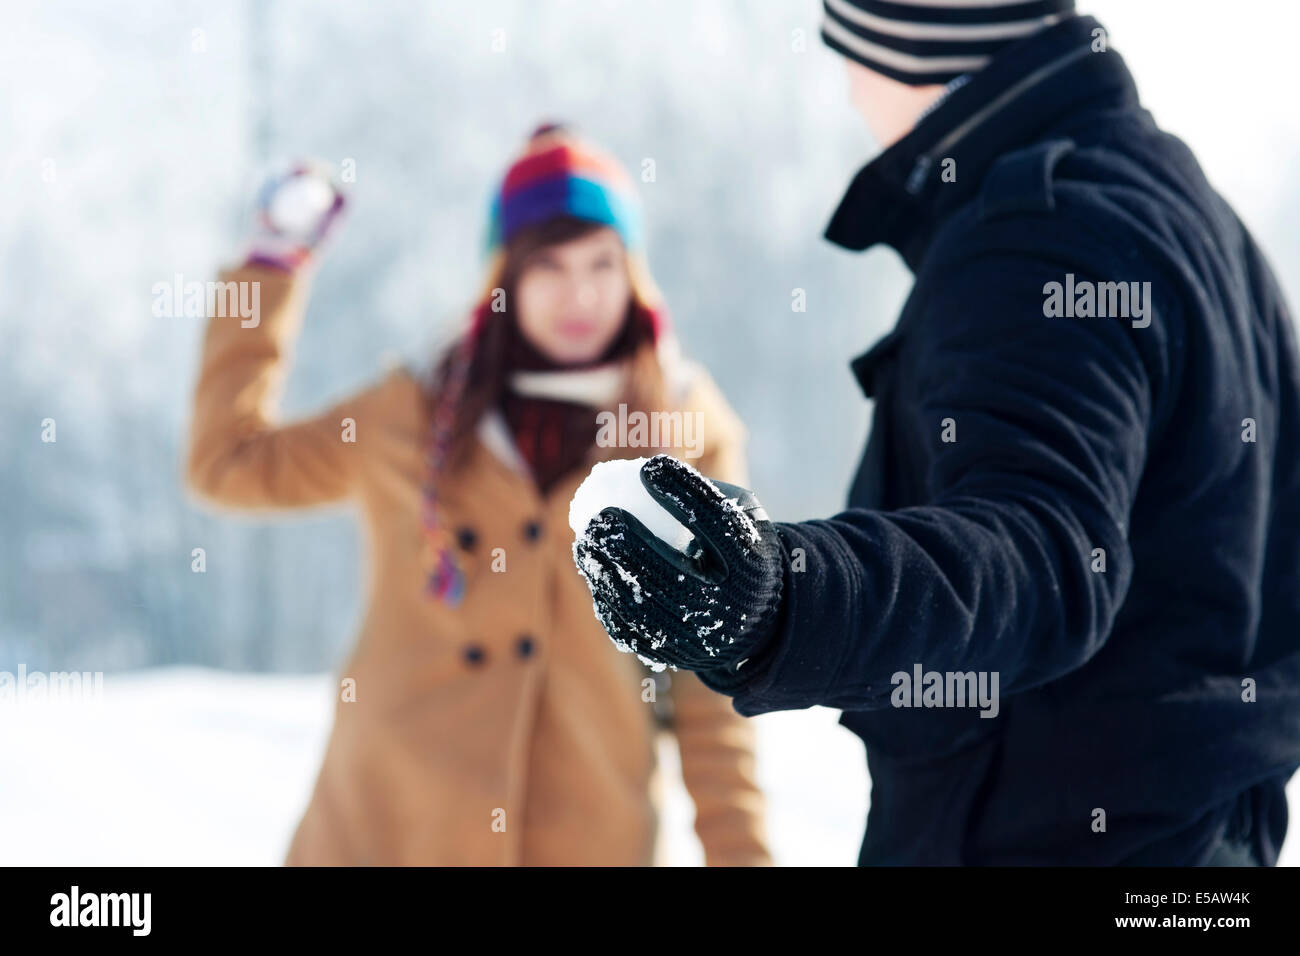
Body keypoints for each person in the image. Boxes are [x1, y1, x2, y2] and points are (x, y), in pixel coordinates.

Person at [572, 4, 1300, 865]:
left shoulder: (1044, 234)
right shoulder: (1186, 213)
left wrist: (782, 601)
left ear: (913, 40)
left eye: (850, 44)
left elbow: (1043, 551)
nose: (845, 84)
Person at [183, 124, 773, 866]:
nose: (581, 294)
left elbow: (711, 684)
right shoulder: (414, 413)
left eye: (603, 263)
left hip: (589, 839)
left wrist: (742, 854)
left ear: (634, 272)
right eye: (548, 267)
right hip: (384, 833)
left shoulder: (686, 435)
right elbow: (229, 462)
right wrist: (270, 268)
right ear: (504, 276)